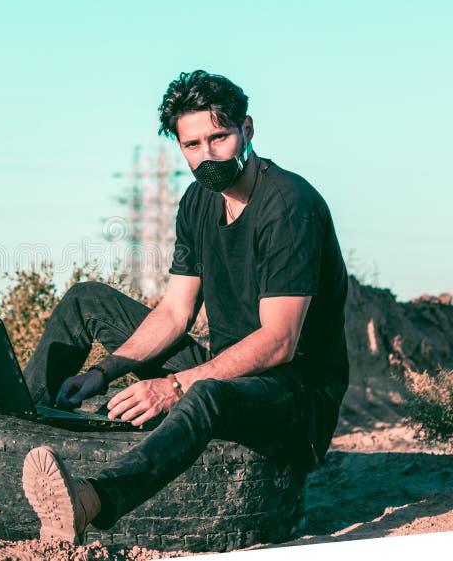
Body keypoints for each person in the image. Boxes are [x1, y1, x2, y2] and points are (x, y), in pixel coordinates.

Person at [19, 70, 349, 544]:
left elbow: (279, 341)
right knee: (86, 300)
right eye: (193, 144)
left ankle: (92, 500)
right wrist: (104, 372)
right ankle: (20, 440)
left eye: (220, 137)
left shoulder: (289, 207)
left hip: (295, 395)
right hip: (231, 368)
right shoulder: (198, 201)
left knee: (204, 393)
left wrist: (173, 386)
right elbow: (175, 313)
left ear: (247, 131)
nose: (207, 154)